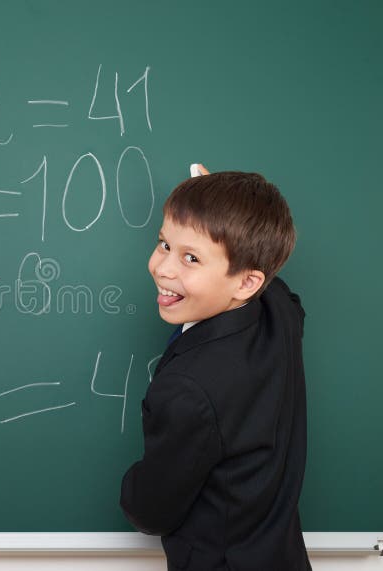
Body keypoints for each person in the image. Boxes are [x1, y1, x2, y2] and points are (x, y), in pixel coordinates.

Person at [120, 166, 311, 570]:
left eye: (191, 258)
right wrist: (230, 220)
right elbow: (277, 287)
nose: (164, 268)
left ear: (246, 283)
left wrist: (131, 488)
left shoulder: (189, 389)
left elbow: (151, 511)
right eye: (164, 244)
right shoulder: (280, 317)